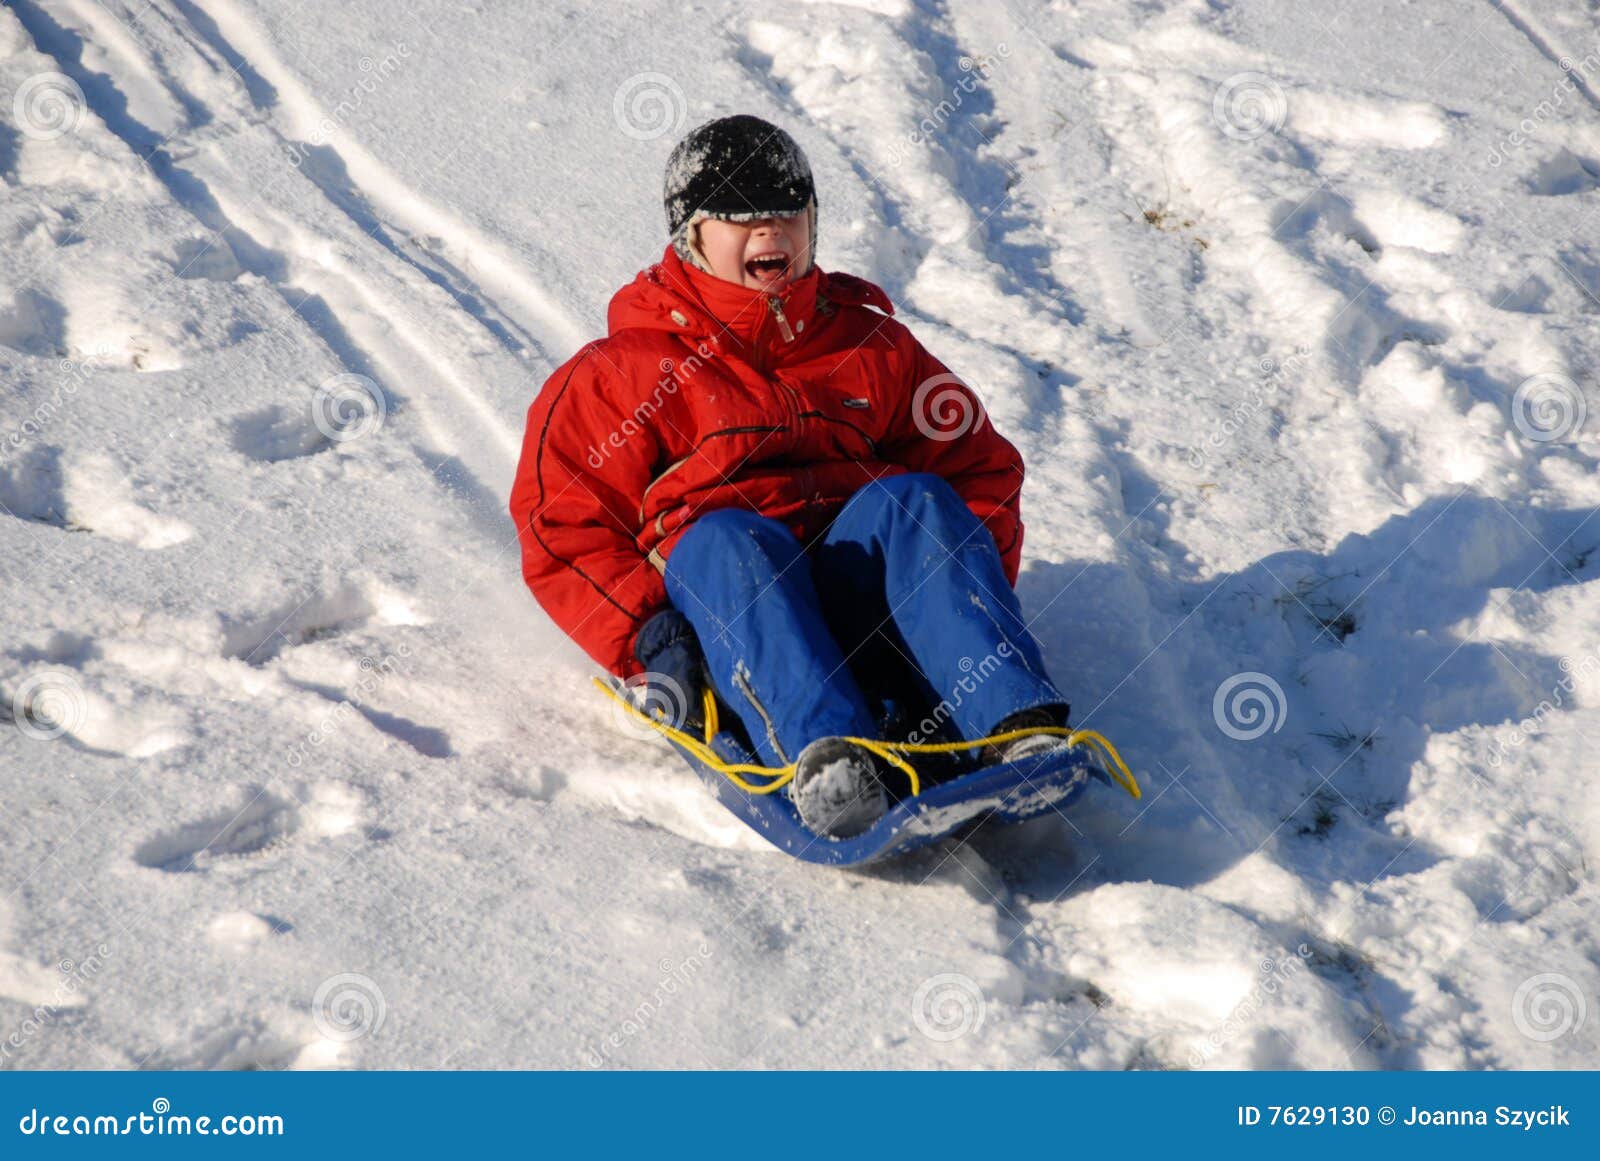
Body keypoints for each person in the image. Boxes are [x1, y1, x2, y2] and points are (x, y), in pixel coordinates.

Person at [510, 114, 1074, 838]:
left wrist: (954, 594)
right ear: (691, 236)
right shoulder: (621, 373)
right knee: (725, 539)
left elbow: (979, 468)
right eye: (741, 220)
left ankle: (1013, 722)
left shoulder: (874, 345)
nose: (771, 233)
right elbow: (561, 523)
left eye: (788, 214)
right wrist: (647, 635)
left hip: (871, 612)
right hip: (733, 621)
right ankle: (829, 756)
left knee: (916, 500)